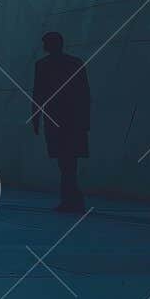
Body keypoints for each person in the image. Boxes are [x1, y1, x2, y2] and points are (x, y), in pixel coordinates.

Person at [32, 32, 91, 212]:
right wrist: (86, 120)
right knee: (70, 160)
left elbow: (38, 94)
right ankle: (72, 197)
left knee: (64, 161)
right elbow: (85, 94)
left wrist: (35, 117)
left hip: (55, 118)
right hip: (73, 119)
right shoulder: (75, 63)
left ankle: (71, 198)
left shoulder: (42, 65)